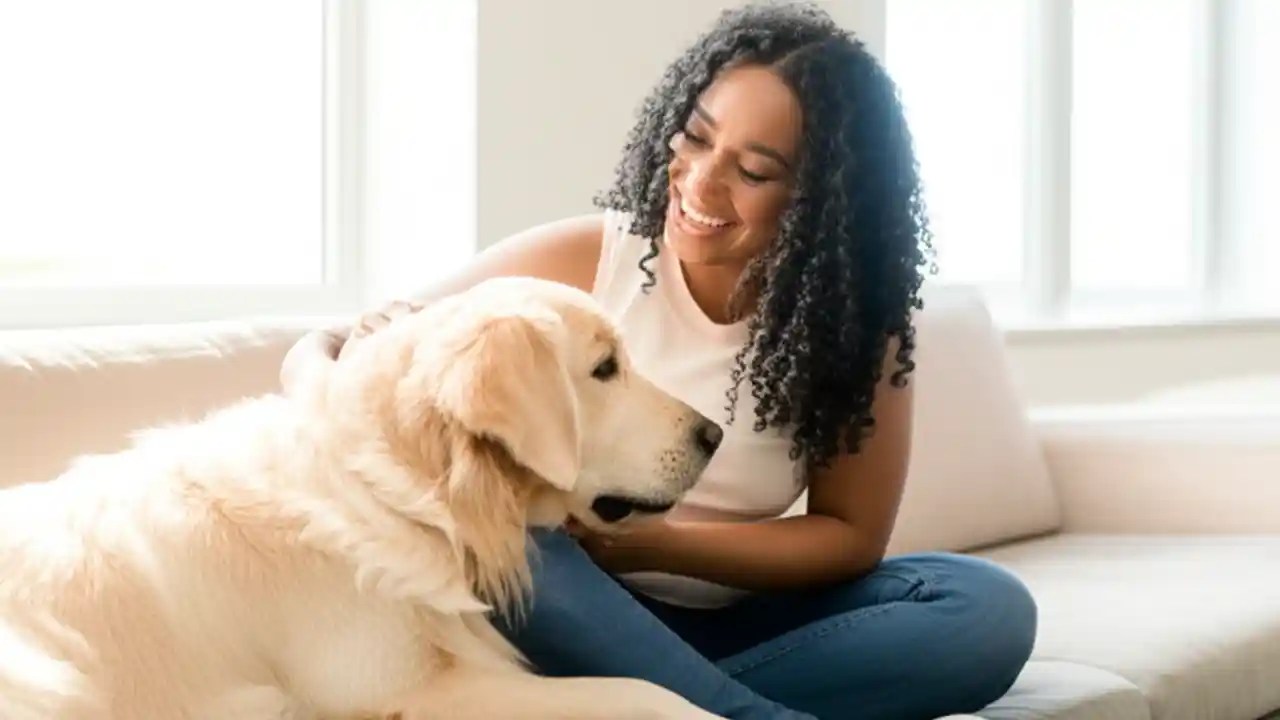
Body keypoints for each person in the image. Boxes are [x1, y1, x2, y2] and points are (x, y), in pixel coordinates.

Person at [282, 3, 1036, 719]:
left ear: (820, 201)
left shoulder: (858, 329)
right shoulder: (585, 259)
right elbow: (321, 356)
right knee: (515, 541)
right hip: (567, 610)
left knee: (983, 608)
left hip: (737, 622)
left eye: (755, 169)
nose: (701, 182)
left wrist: (661, 546)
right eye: (698, 137)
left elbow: (849, 536)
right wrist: (335, 363)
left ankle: (658, 704)